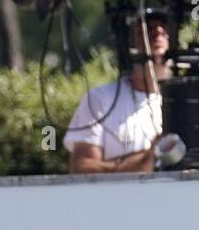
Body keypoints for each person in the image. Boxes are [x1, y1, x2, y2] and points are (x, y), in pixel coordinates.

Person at [63, 11, 172, 174]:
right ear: (130, 45)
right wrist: (145, 160)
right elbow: (82, 168)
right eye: (148, 30)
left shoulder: (186, 100)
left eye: (164, 29)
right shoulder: (100, 99)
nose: (158, 33)